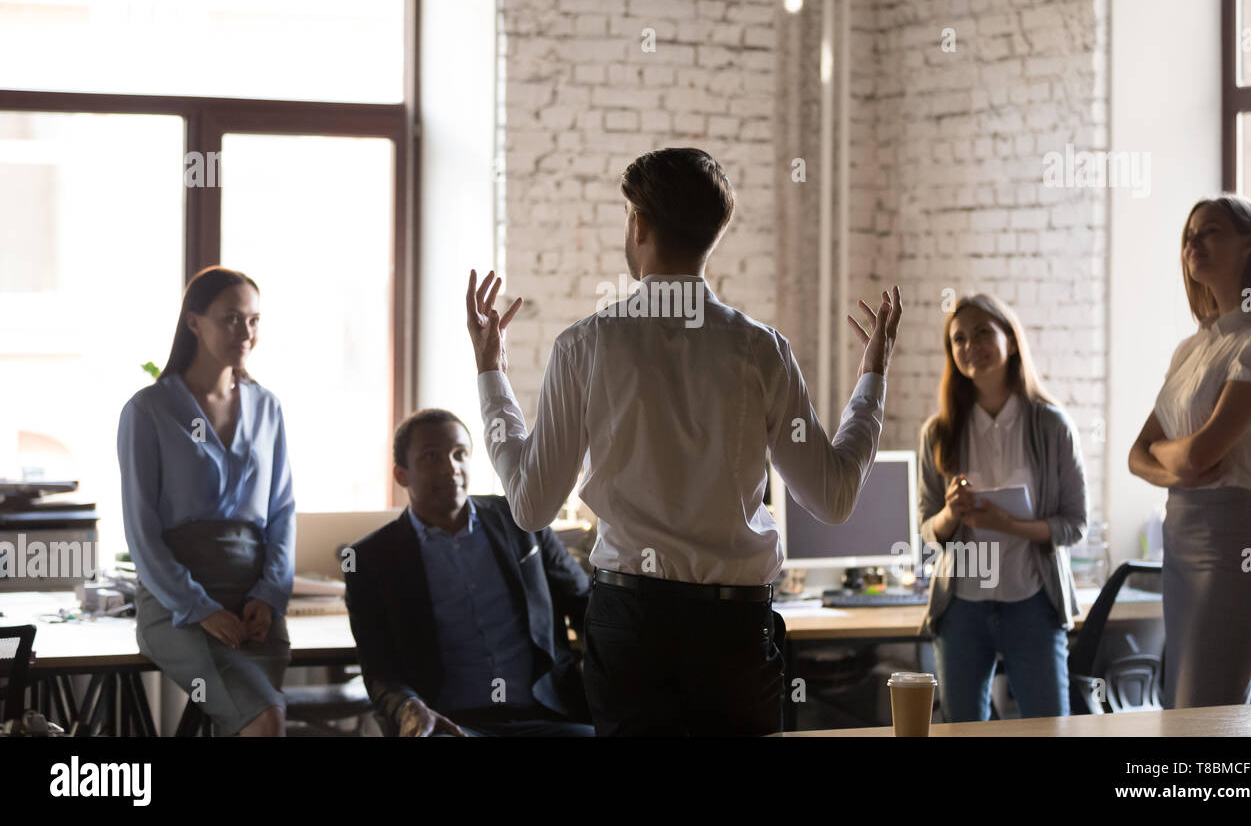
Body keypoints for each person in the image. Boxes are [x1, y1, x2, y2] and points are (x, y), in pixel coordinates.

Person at [465, 146, 902, 735]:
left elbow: (531, 504)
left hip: (631, 630)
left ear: (638, 224)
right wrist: (871, 380)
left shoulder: (584, 346)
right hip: (733, 635)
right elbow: (833, 497)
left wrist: (491, 372)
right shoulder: (763, 350)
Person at [117, 267, 294, 737]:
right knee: (264, 719)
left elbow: (281, 513)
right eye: (232, 319)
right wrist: (198, 607)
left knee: (259, 716)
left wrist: (270, 594)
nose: (246, 332)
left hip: (254, 604)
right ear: (193, 321)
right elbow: (141, 531)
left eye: (254, 320)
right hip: (177, 604)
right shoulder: (148, 411)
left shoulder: (268, 407)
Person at [1129, 196, 1251, 708]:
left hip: (1231, 548)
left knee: (1203, 720)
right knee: (1203, 713)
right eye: (1189, 235)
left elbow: (1199, 456)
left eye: (1210, 231)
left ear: (1249, 244)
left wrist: (1168, 453)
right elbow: (1136, 454)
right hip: (1180, 541)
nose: (1193, 242)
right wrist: (1174, 459)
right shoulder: (1191, 347)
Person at [344, 408, 594, 737]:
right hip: (451, 723)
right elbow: (379, 670)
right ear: (401, 474)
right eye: (432, 457)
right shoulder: (370, 560)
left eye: (460, 454)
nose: (451, 468)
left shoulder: (521, 520)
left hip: (548, 712)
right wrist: (407, 705)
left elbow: (585, 605)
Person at [916, 294, 1087, 722]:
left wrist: (1009, 524)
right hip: (962, 608)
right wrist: (952, 514)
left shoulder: (1051, 426)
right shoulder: (939, 433)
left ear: (1010, 339)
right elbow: (926, 527)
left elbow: (1074, 524)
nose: (970, 346)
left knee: (1047, 729)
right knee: (964, 733)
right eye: (958, 339)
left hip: (1032, 601)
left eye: (982, 333)